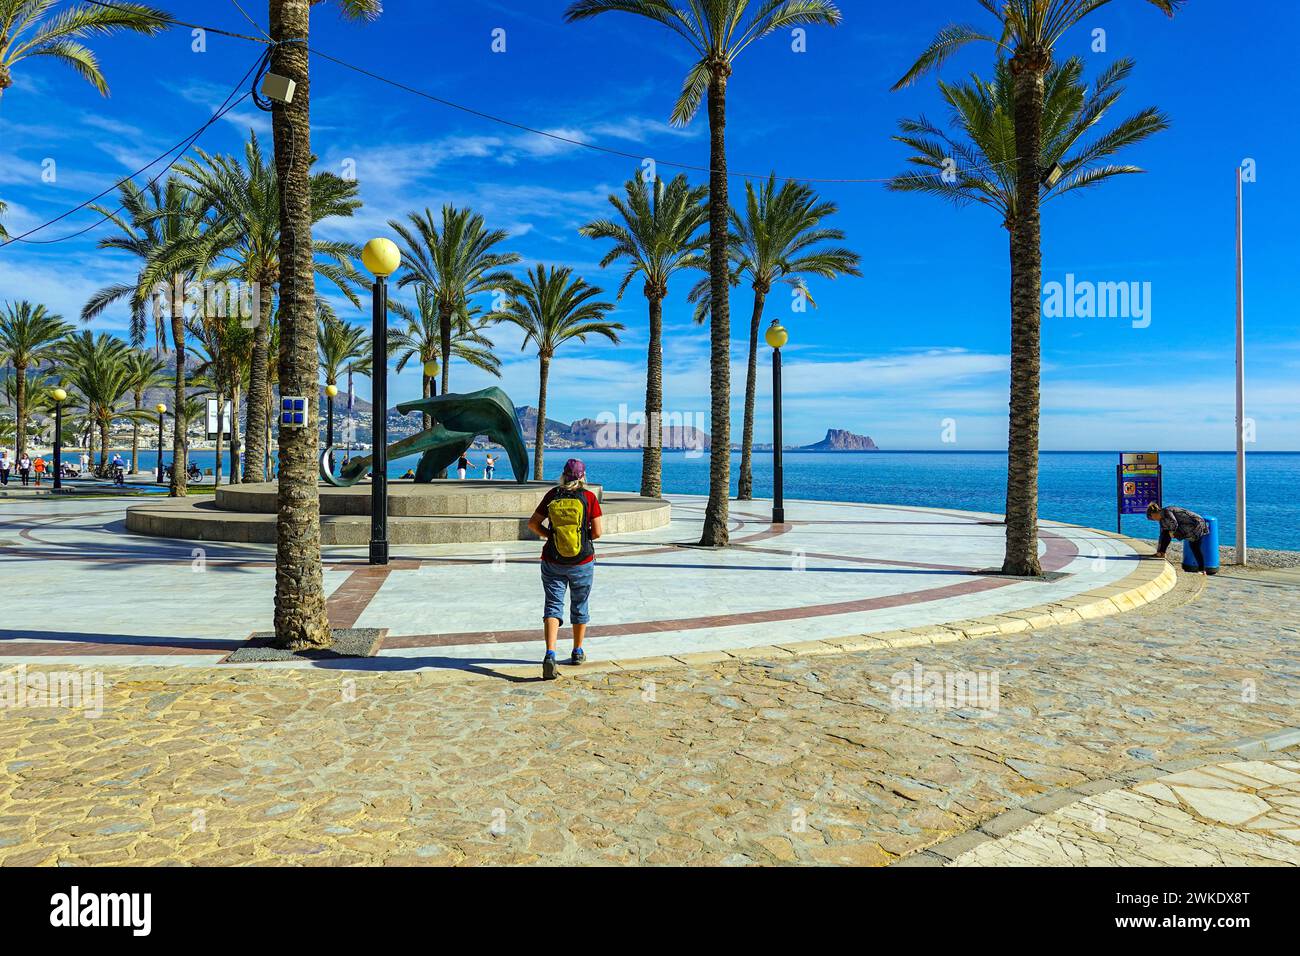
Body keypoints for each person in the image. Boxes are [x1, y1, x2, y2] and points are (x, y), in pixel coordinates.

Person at [526, 458, 603, 680]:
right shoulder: (588, 497)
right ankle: (577, 651)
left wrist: (552, 535)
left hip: (552, 559)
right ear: (582, 476)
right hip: (582, 561)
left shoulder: (553, 495)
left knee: (553, 605)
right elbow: (597, 533)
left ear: (563, 475)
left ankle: (550, 653)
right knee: (580, 603)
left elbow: (533, 524)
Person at [1147, 501, 1210, 573]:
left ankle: (1202, 570)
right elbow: (1162, 534)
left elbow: (1174, 522)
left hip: (1197, 524)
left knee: (1195, 547)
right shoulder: (1162, 520)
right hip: (1187, 526)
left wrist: (1172, 532)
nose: (1153, 519)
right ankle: (1161, 553)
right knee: (1165, 533)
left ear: (1153, 513)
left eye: (1152, 517)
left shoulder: (1167, 511)